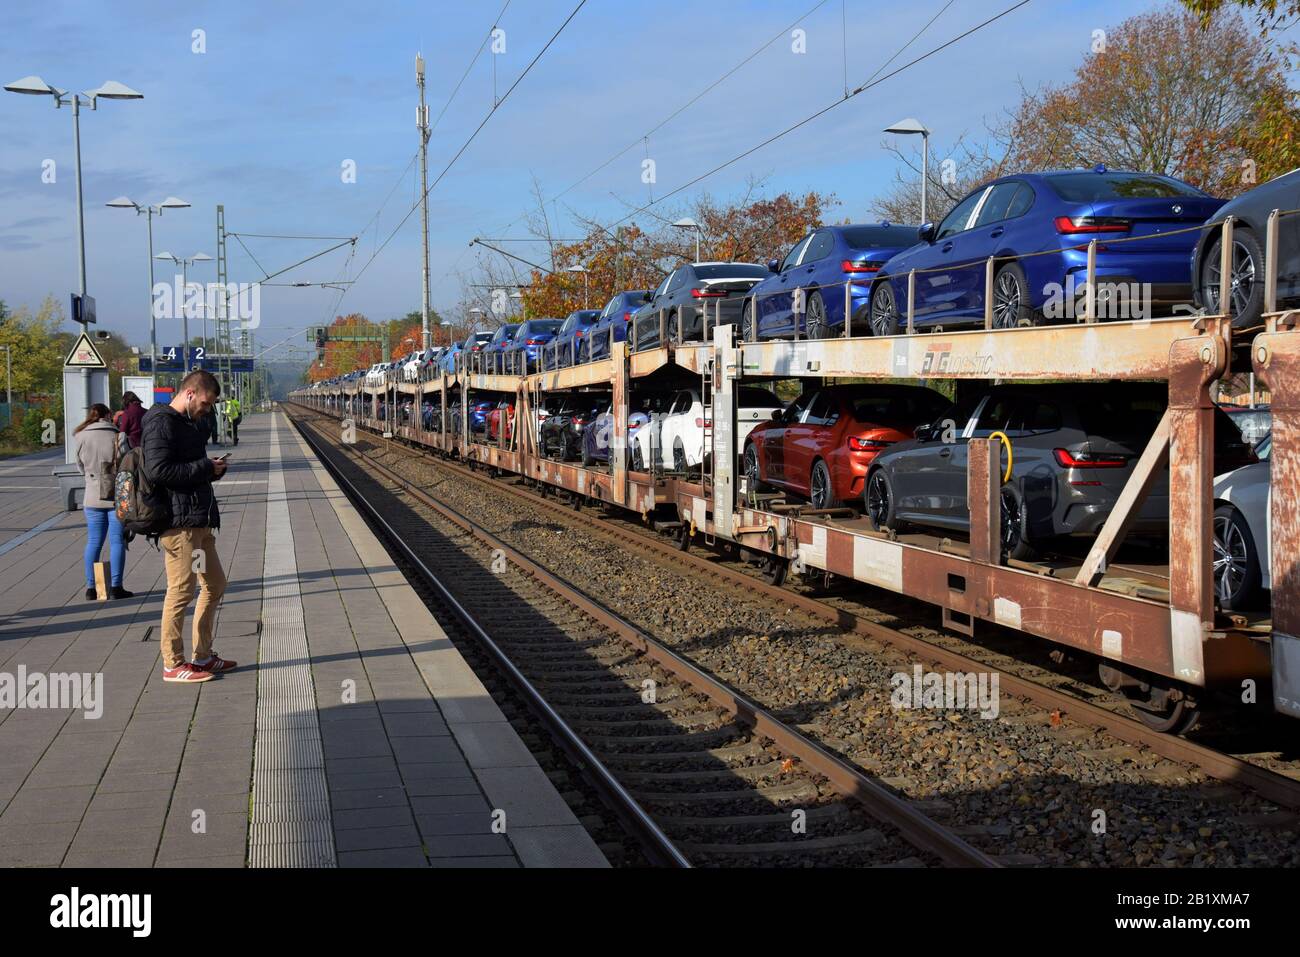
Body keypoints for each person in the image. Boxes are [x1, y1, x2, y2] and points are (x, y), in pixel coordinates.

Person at [141, 369, 236, 684]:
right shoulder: (161, 422)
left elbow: (188, 470)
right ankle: (173, 663)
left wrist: (212, 470)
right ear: (191, 393)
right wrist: (204, 467)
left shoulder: (185, 424)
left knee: (214, 584)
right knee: (181, 591)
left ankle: (203, 655)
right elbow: (159, 471)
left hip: (199, 524)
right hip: (179, 527)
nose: (207, 410)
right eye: (206, 403)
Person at [73, 404, 133, 600]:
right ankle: (116, 587)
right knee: (117, 541)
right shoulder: (119, 436)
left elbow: (79, 466)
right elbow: (127, 466)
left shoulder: (80, 436)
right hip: (116, 495)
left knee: (93, 541)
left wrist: (92, 479)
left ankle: (92, 588)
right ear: (109, 416)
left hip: (91, 496)